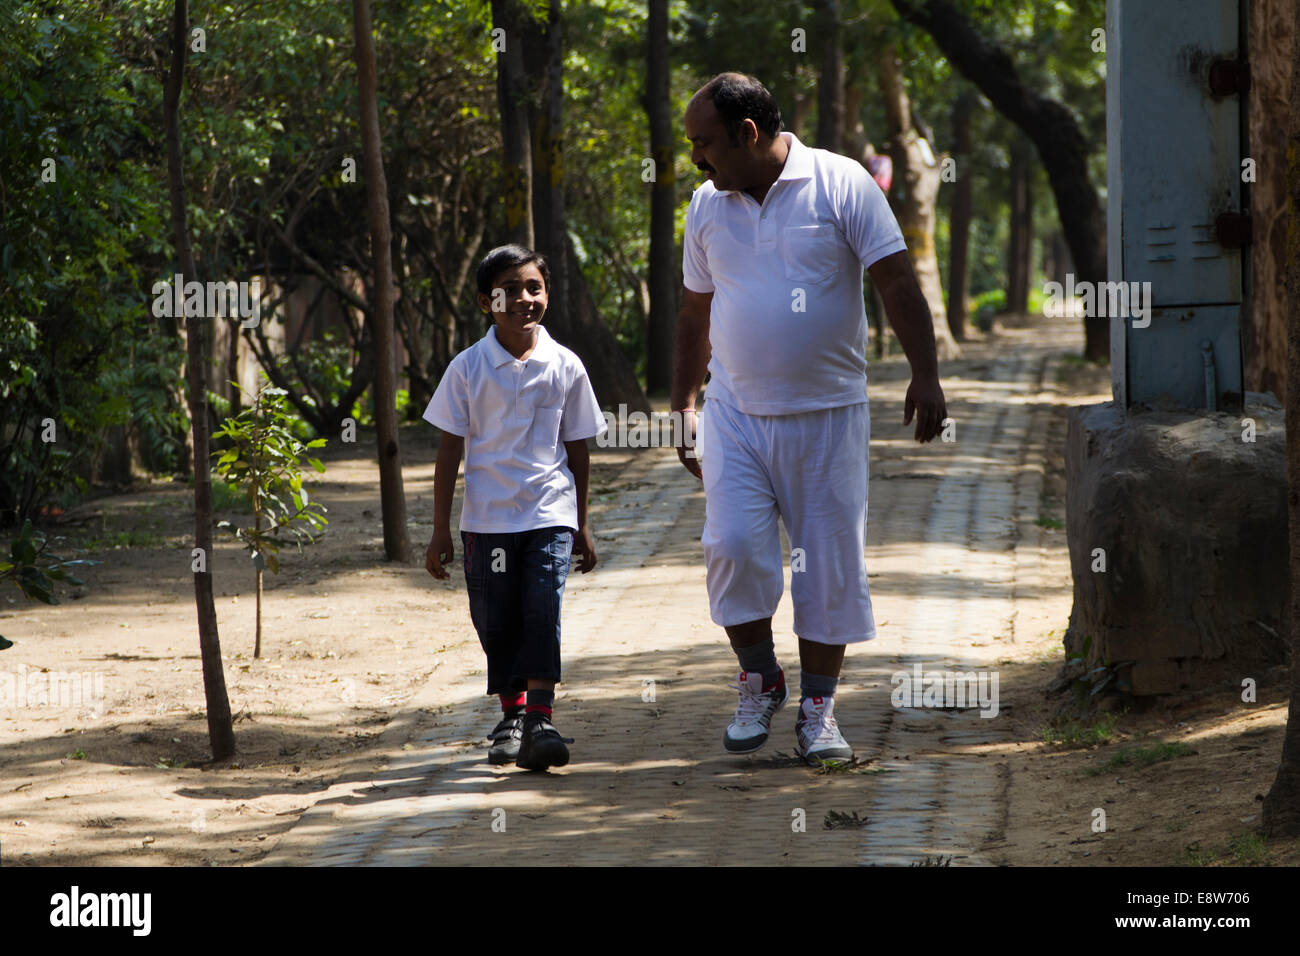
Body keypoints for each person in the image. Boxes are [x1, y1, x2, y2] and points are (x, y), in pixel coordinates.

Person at [672, 72, 948, 765]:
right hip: (734, 413)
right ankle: (761, 679)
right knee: (732, 546)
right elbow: (694, 312)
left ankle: (819, 711)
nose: (696, 160)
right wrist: (682, 402)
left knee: (827, 566)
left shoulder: (842, 184)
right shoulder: (706, 206)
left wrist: (927, 373)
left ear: (748, 135)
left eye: (704, 144)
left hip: (828, 414)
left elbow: (895, 279)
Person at [424, 244, 605, 771]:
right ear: (487, 301)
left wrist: (582, 523)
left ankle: (541, 719)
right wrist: (440, 530)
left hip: (549, 513)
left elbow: (577, 449)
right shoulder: (467, 368)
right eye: (511, 289)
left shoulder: (566, 365)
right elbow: (449, 450)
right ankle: (511, 714)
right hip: (487, 521)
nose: (526, 298)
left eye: (535, 287)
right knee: (494, 618)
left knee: (541, 609)